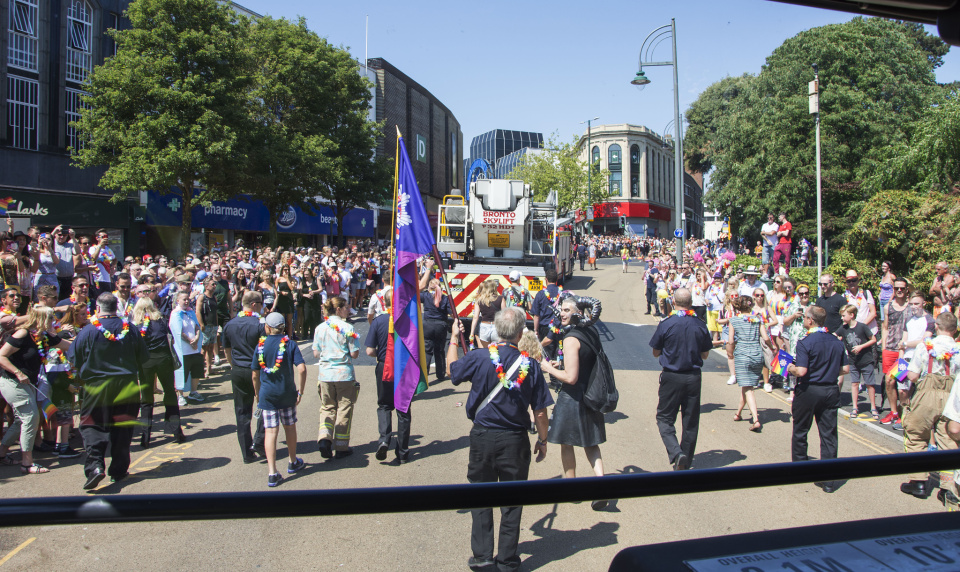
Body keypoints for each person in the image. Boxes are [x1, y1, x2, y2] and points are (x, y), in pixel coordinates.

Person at [447, 307, 552, 572]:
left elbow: (451, 371)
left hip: (483, 437)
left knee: (481, 496)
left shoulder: (479, 357)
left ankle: (483, 557)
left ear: (495, 330)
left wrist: (452, 339)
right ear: (520, 332)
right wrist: (543, 439)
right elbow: (540, 411)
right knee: (512, 500)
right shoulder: (530, 364)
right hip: (515, 440)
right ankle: (506, 560)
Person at [539, 297, 609, 510]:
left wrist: (547, 368)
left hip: (572, 398)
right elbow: (584, 360)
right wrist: (560, 362)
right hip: (591, 394)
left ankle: (572, 487)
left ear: (578, 312)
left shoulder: (570, 339)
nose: (562, 313)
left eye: (567, 310)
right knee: (591, 443)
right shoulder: (591, 331)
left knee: (566, 442)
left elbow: (570, 377)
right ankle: (602, 484)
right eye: (561, 310)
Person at [70, 292, 146, 489]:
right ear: (116, 308)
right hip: (126, 383)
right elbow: (143, 357)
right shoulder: (130, 329)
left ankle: (96, 466)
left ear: (97, 307)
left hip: (98, 385)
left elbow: (75, 359)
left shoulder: (87, 331)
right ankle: (118, 470)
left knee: (93, 425)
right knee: (122, 426)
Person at [0, 306, 71, 474]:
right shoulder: (22, 334)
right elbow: (1, 356)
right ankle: (27, 462)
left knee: (22, 421)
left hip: (28, 384)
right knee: (30, 418)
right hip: (12, 382)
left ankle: (1, 453)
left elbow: (69, 345)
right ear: (40, 319)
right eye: (49, 318)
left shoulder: (44, 336)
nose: (53, 321)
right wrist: (17, 372)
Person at [785, 306, 849, 493]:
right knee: (828, 434)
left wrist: (790, 368)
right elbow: (844, 369)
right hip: (830, 389)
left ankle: (800, 468)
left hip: (809, 390)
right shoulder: (836, 341)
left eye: (805, 317)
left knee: (801, 429)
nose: (804, 320)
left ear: (811, 320)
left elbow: (802, 371)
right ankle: (828, 480)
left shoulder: (806, 341)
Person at [648, 288, 714, 470]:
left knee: (664, 418)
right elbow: (706, 354)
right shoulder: (700, 324)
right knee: (690, 420)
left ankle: (677, 453)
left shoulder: (667, 323)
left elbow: (655, 352)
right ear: (691, 303)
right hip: (693, 377)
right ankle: (685, 461)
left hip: (672, 376)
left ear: (673, 302)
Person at [900, 311, 960, 500]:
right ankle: (947, 488)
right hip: (951, 397)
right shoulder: (958, 350)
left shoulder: (925, 347)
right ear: (955, 330)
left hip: (926, 395)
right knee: (948, 441)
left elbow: (912, 375)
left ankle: (918, 482)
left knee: (916, 435)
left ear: (936, 326)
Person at [252, 312, 306, 487]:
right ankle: (292, 461)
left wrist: (257, 393)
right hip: (287, 394)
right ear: (284, 327)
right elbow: (302, 369)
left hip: (267, 396)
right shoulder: (289, 344)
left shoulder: (260, 346)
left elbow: (255, 373)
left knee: (271, 432)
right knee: (289, 427)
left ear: (267, 327)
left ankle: (272, 472)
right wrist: (301, 391)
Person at [365, 288, 412, 463]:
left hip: (384, 365)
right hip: (403, 367)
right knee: (403, 409)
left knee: (384, 405)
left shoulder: (378, 322)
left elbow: (369, 350)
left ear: (384, 303)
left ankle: (384, 439)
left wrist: (381, 354)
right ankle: (402, 451)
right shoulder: (408, 321)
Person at [132, 296, 185, 448]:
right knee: (169, 393)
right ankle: (176, 431)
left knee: (147, 399)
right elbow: (170, 338)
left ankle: (145, 436)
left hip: (145, 362)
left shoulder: (136, 325)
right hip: (163, 359)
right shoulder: (161, 321)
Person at [313, 296, 360, 459]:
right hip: (344, 374)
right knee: (344, 408)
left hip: (325, 373)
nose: (349, 310)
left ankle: (325, 438)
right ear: (338, 309)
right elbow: (354, 354)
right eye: (346, 307)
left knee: (327, 407)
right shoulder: (348, 328)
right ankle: (341, 446)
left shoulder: (320, 328)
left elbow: (315, 352)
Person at [728, 295, 771, 432]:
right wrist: (773, 347)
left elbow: (730, 341)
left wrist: (731, 351)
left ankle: (755, 419)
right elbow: (765, 337)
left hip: (742, 355)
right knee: (746, 386)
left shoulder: (734, 320)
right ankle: (738, 413)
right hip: (757, 354)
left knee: (749, 389)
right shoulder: (757, 319)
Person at [839, 304, 878, 418]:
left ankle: (873, 407)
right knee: (854, 383)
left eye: (843, 316)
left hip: (866, 359)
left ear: (852, 315)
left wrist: (861, 346)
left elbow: (873, 339)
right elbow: (836, 335)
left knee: (870, 384)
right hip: (853, 361)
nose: (842, 318)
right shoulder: (843, 328)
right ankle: (855, 407)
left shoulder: (862, 326)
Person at [169, 291, 203, 407]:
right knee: (182, 372)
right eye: (184, 299)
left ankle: (193, 392)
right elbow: (178, 331)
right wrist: (190, 341)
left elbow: (197, 326)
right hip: (183, 349)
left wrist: (197, 338)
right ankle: (180, 395)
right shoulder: (175, 314)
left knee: (196, 371)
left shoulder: (190, 312)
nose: (187, 301)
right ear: (177, 300)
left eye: (188, 299)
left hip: (194, 348)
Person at [420, 273, 454, 382]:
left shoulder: (425, 296)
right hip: (441, 325)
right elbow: (451, 312)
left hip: (427, 324)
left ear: (430, 286)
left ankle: (424, 373)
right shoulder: (444, 298)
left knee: (427, 350)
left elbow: (416, 294)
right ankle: (440, 374)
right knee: (439, 350)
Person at [469, 280, 503, 350]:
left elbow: (475, 317)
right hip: (497, 327)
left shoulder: (479, 300)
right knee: (497, 350)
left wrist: (472, 333)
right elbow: (504, 315)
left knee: (485, 350)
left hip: (484, 327)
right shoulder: (500, 299)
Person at [196, 277, 219, 378]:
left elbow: (215, 312)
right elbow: (198, 311)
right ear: (206, 286)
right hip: (205, 325)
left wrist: (217, 324)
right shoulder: (202, 297)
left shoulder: (214, 297)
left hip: (213, 325)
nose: (214, 286)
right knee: (203, 348)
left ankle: (209, 368)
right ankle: (201, 370)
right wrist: (201, 324)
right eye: (212, 284)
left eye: (215, 284)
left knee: (210, 347)